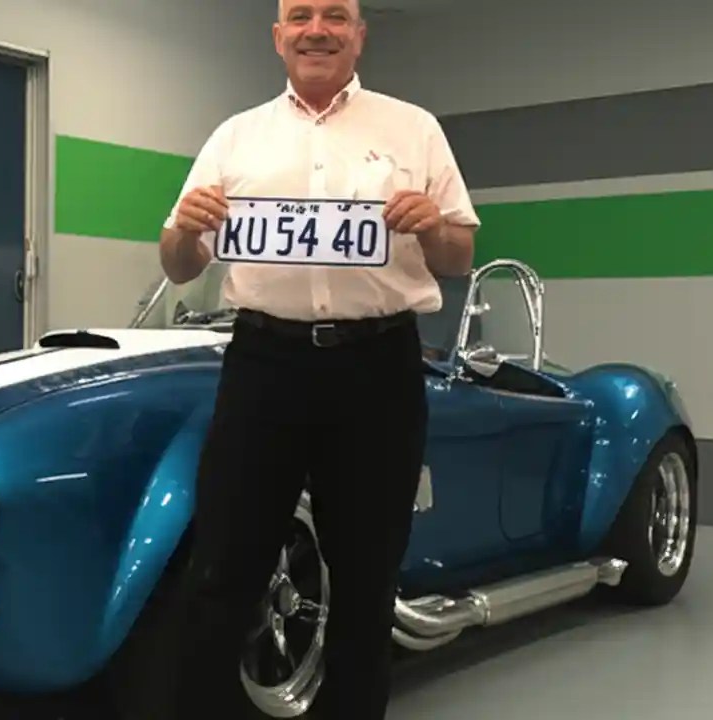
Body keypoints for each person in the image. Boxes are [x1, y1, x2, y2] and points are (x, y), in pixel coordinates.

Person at [156, 1, 480, 718]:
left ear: (359, 35)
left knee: (366, 577)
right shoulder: (235, 138)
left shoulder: (414, 127)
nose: (318, 28)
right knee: (224, 568)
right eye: (300, 15)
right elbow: (179, 265)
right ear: (278, 38)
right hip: (263, 366)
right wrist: (186, 228)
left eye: (336, 15)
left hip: (378, 370)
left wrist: (432, 227)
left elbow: (460, 254)